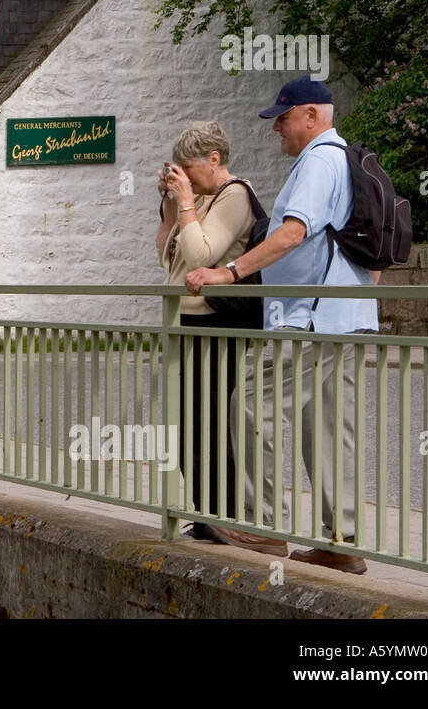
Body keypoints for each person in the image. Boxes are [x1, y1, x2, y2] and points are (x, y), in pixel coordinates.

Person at [187, 75, 377, 574]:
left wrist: (228, 272)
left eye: (284, 119)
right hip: (345, 316)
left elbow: (293, 234)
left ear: (311, 116)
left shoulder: (317, 160)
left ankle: (262, 527)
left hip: (310, 319)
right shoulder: (343, 159)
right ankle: (342, 539)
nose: (278, 130)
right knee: (330, 428)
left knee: (251, 402)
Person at [155, 121, 256, 544]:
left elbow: (202, 255)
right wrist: (170, 204)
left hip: (216, 322)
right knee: (183, 423)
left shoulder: (235, 196)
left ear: (214, 160)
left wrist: (187, 204)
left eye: (190, 170)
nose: (187, 179)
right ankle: (206, 511)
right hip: (185, 321)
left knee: (210, 421)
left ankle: (225, 516)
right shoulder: (196, 201)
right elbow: (168, 256)